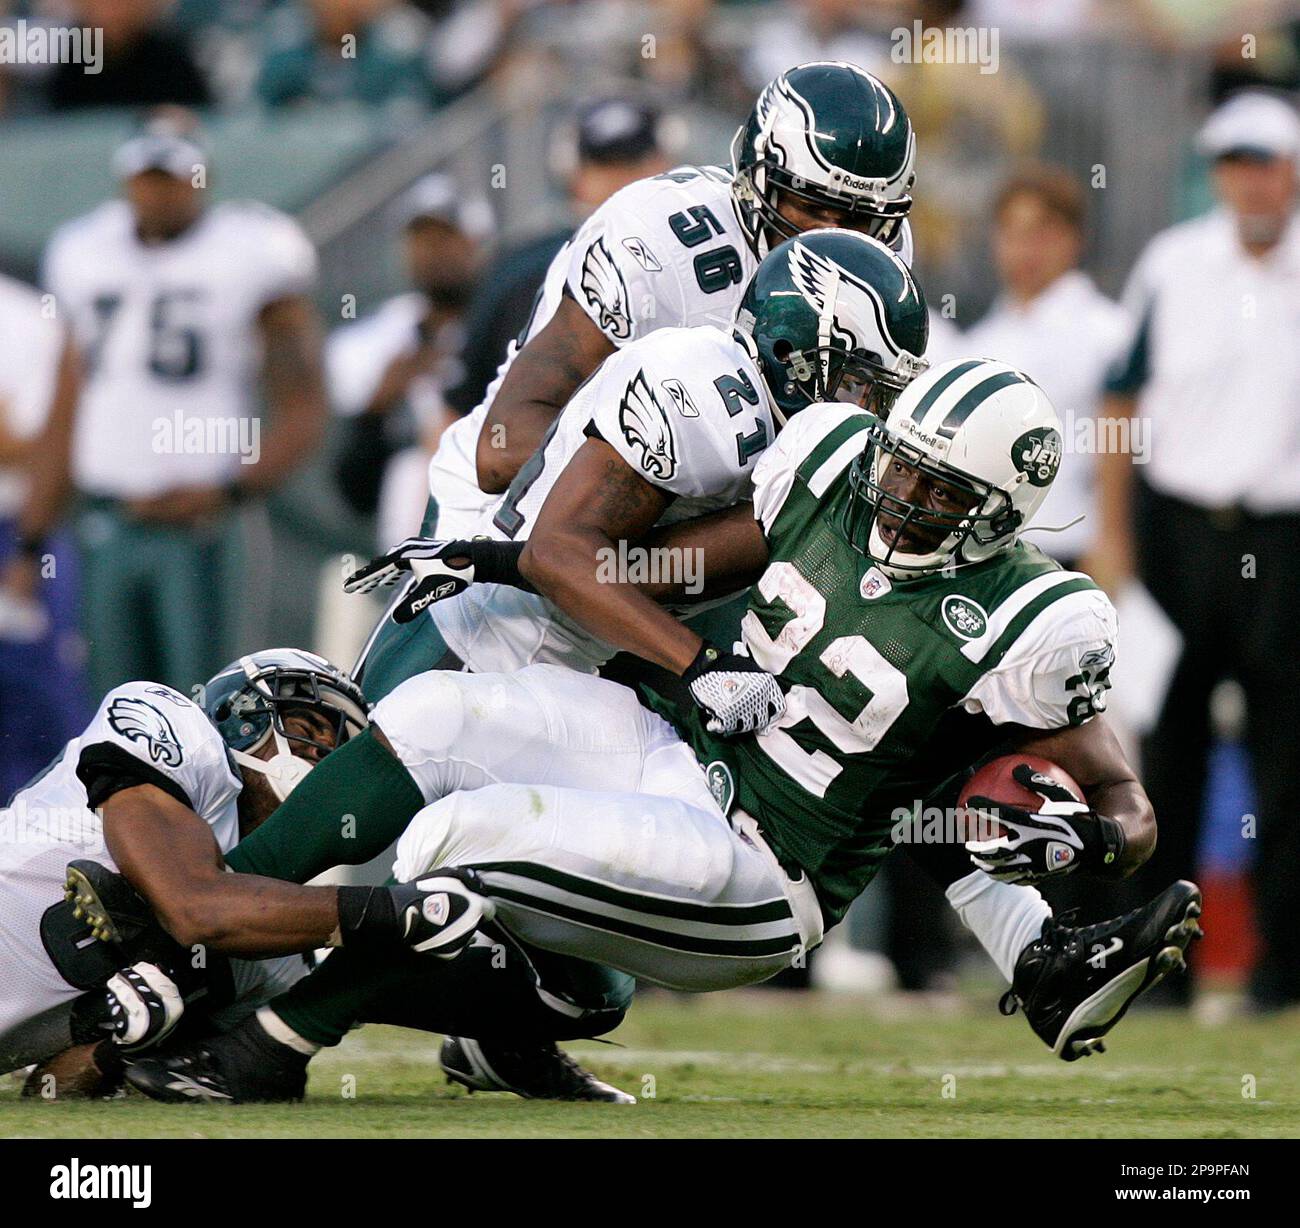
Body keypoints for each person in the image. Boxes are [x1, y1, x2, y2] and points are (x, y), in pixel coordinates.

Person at [121, 359, 1202, 1103]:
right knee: (436, 712)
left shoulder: (1036, 620)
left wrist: (1088, 843)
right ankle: (185, 946)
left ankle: (267, 1046)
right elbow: (680, 566)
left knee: (468, 841)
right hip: (679, 756)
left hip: (758, 874)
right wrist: (499, 559)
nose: (901, 488)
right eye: (904, 459)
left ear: (999, 509)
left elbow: (1127, 806)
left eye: (935, 485)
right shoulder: (834, 462)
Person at [353, 61, 921, 698]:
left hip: (689, 549)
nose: (835, 238)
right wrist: (638, 522)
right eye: (814, 208)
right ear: (758, 178)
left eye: (861, 220)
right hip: (522, 514)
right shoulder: (658, 242)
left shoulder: (879, 261)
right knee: (414, 727)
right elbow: (503, 448)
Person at [1094, 91, 1300, 1009]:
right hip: (1179, 528)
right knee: (1161, 753)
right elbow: (1121, 402)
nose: (1251, 180)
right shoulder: (1175, 264)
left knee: (1287, 755)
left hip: (1286, 537)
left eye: (1265, 161)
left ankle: (1283, 966)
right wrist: (1113, 533)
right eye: (1235, 163)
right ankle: (1154, 965)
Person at [39, 111, 329, 701]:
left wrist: (231, 490)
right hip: (105, 516)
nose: (158, 191)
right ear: (124, 181)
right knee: (113, 713)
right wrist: (33, 530)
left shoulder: (251, 250)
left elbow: (304, 402)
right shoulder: (82, 251)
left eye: (173, 176)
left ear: (204, 178)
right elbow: (68, 395)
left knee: (206, 705)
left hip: (202, 524)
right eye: (146, 176)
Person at [446, 95, 674, 418]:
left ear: (665, 166)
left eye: (635, 164)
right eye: (606, 167)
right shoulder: (520, 271)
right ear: (575, 177)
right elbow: (457, 406)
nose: (622, 180)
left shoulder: (705, 254)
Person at [960, 164, 1129, 571]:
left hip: (1075, 547)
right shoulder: (979, 343)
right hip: (987, 553)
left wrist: (1112, 538)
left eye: (1040, 233)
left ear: (1074, 239)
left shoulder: (1110, 334)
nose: (1025, 250)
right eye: (1012, 234)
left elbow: (1122, 443)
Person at [329, 173, 494, 549]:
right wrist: (379, 405)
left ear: (477, 242)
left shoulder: (506, 325)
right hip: (404, 532)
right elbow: (353, 486)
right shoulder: (377, 339)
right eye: (421, 240)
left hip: (492, 521)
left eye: (445, 238)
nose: (433, 252)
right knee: (410, 467)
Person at [0, 272, 88, 799]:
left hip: (14, 533)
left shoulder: (26, 319)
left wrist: (30, 546)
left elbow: (49, 443)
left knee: (35, 712)